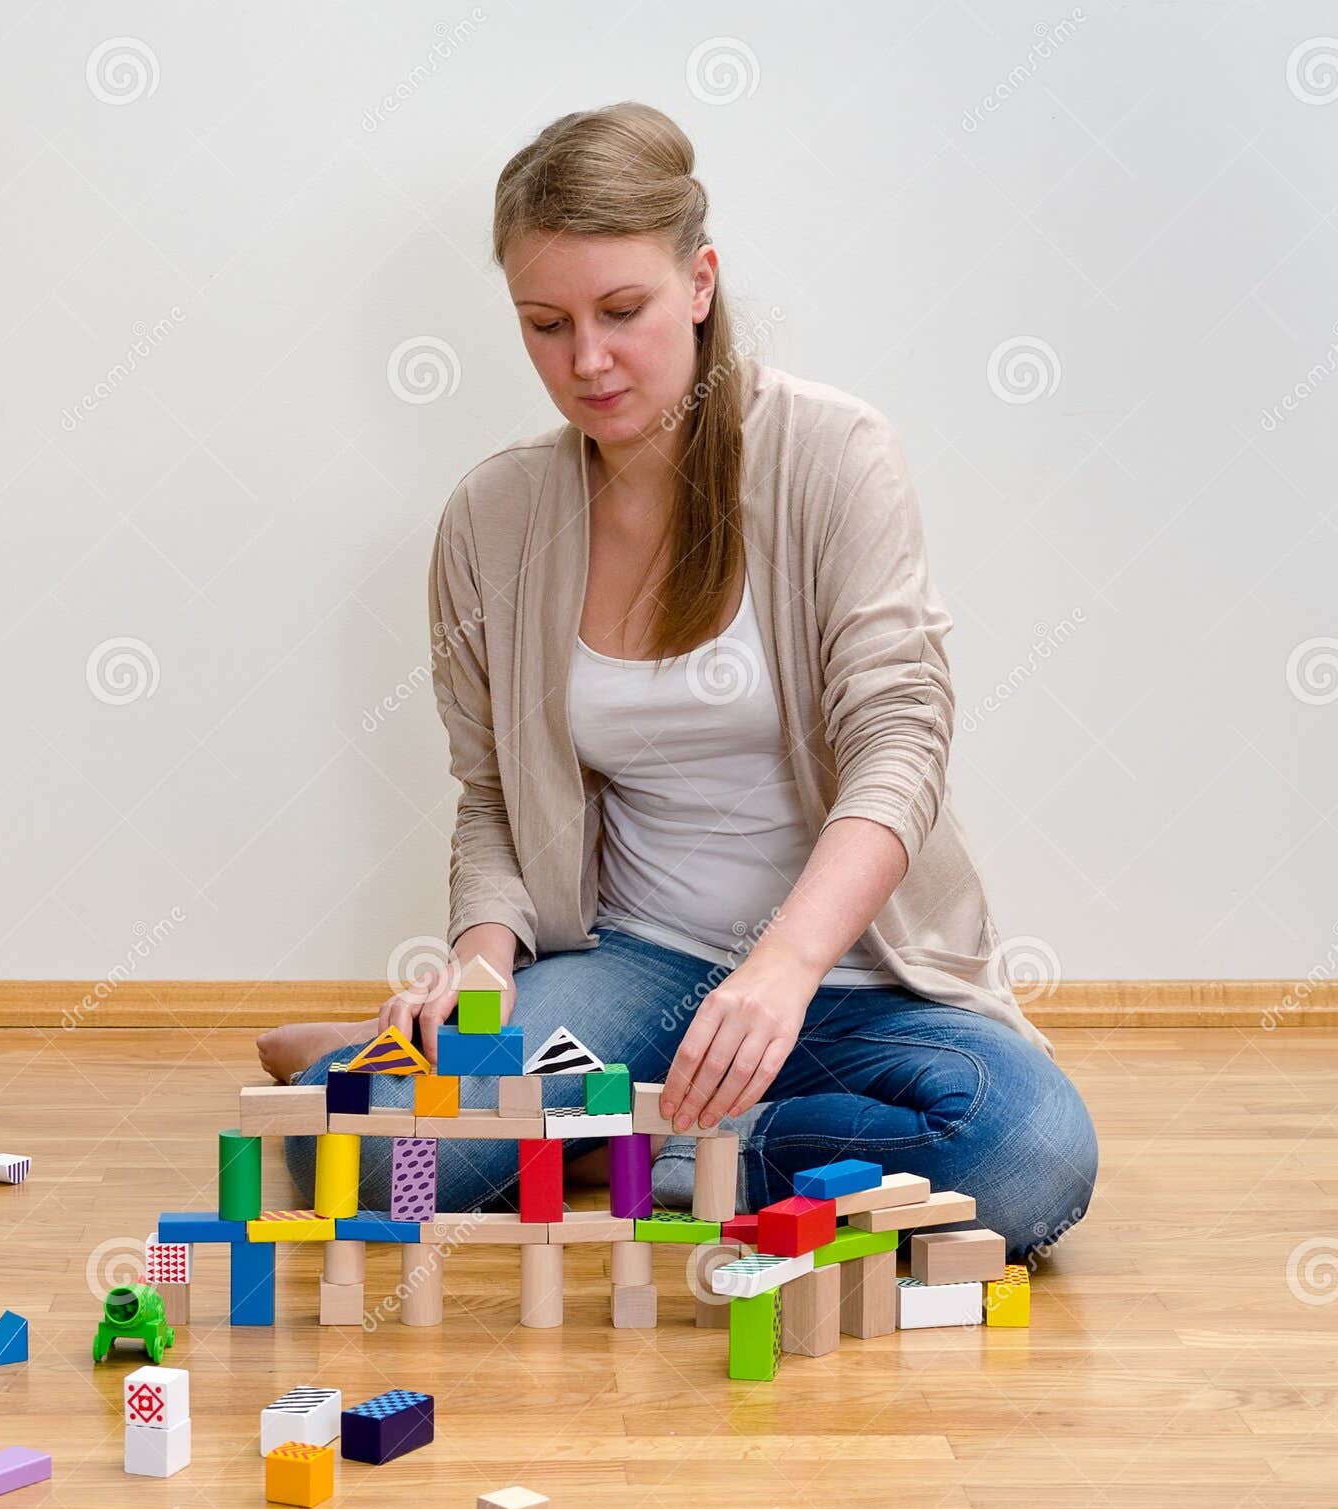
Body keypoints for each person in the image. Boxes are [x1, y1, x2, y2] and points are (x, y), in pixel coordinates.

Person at [258, 102, 1097, 1258]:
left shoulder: (833, 455)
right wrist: (482, 961)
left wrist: (783, 967)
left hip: (854, 978)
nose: (586, 361)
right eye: (544, 325)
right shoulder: (493, 519)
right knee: (355, 1164)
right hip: (635, 966)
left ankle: (661, 1148)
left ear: (698, 282)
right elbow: (494, 794)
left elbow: (899, 744)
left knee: (1027, 1156)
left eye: (621, 312)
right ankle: (504, 1083)